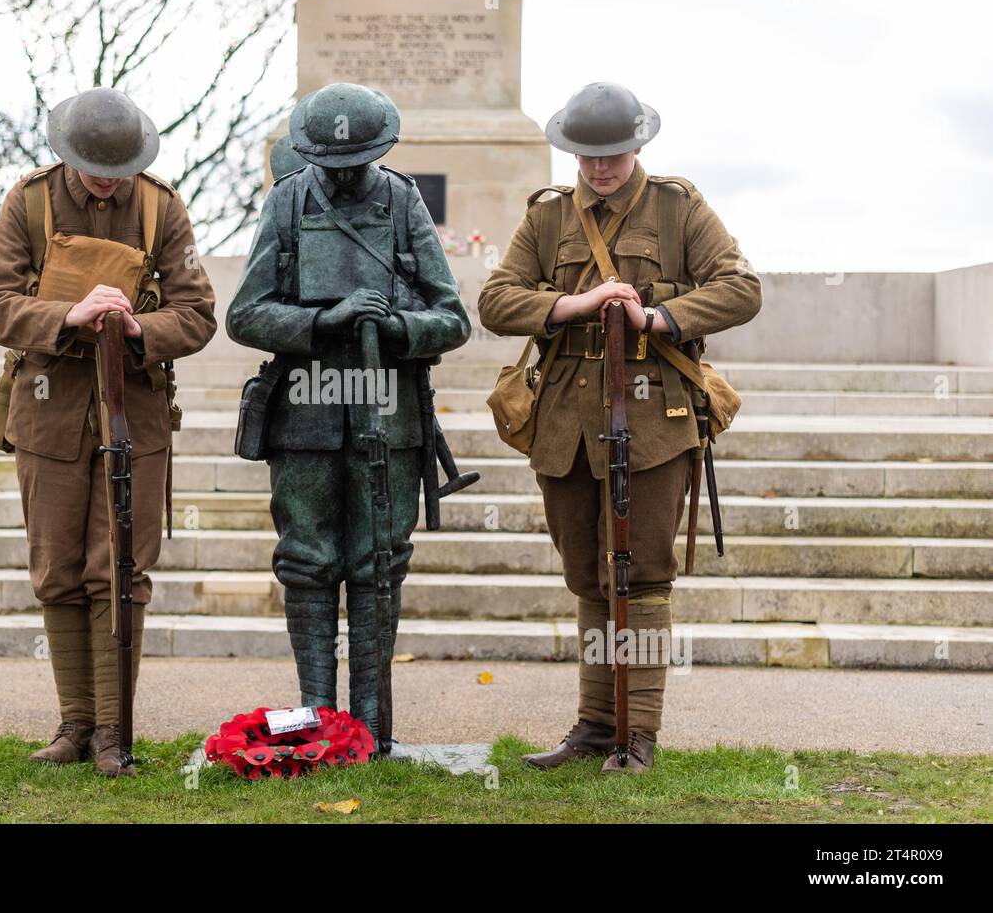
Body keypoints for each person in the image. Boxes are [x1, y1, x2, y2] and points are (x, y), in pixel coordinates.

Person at [478, 82, 761, 773]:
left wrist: (656, 313)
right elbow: (494, 298)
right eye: (587, 156)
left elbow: (741, 286)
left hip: (654, 417)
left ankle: (639, 733)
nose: (600, 168)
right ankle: (596, 724)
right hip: (568, 423)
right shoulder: (548, 217)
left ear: (637, 146)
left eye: (612, 154)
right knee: (587, 574)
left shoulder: (678, 207)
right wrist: (577, 302)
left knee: (642, 576)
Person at [0, 87, 217, 775]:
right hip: (48, 406)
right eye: (94, 168)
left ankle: (114, 729)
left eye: (119, 168)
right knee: (56, 568)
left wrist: (142, 328)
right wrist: (66, 316)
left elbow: (198, 311)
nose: (107, 181)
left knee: (122, 570)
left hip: (132, 410)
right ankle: (73, 721)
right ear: (67, 154)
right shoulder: (28, 202)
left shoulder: (161, 207)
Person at [226, 83, 471, 744]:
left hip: (386, 416)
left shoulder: (402, 201)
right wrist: (321, 320)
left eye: (357, 162)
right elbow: (245, 314)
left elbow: (452, 317)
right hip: (304, 414)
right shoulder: (286, 201)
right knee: (306, 561)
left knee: (378, 562)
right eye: (332, 165)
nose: (344, 175)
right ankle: (315, 714)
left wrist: (395, 328)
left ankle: (368, 720)